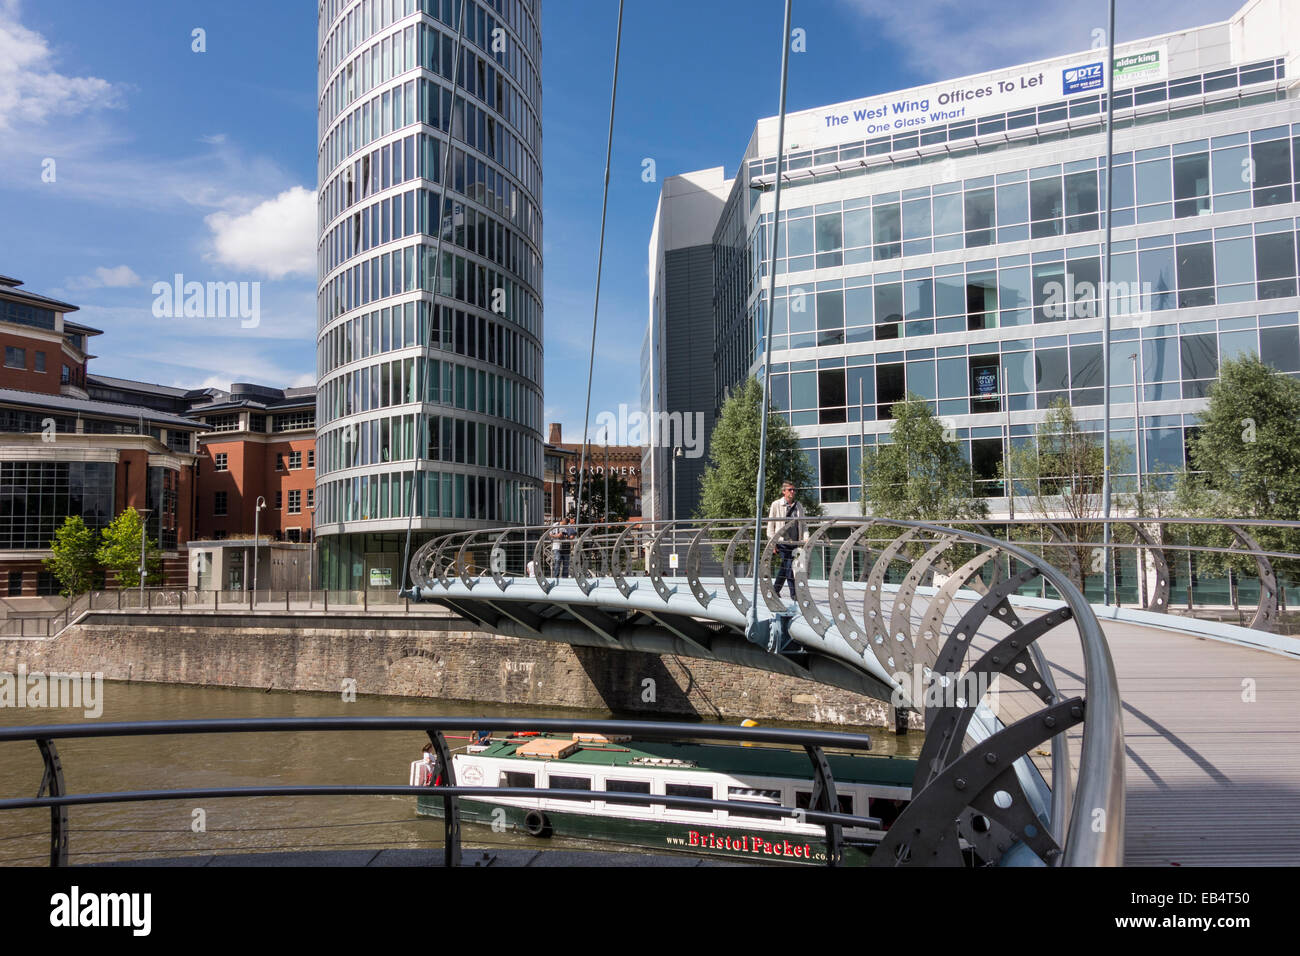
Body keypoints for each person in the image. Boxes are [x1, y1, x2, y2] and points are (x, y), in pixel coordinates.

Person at [766, 480, 805, 600]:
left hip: (795, 542)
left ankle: (775, 590)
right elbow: (770, 526)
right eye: (790, 490)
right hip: (782, 542)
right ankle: (794, 594)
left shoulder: (798, 506)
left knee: (785, 567)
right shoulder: (776, 504)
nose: (793, 492)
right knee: (789, 566)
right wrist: (772, 544)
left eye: (794, 490)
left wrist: (805, 538)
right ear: (784, 492)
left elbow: (804, 524)